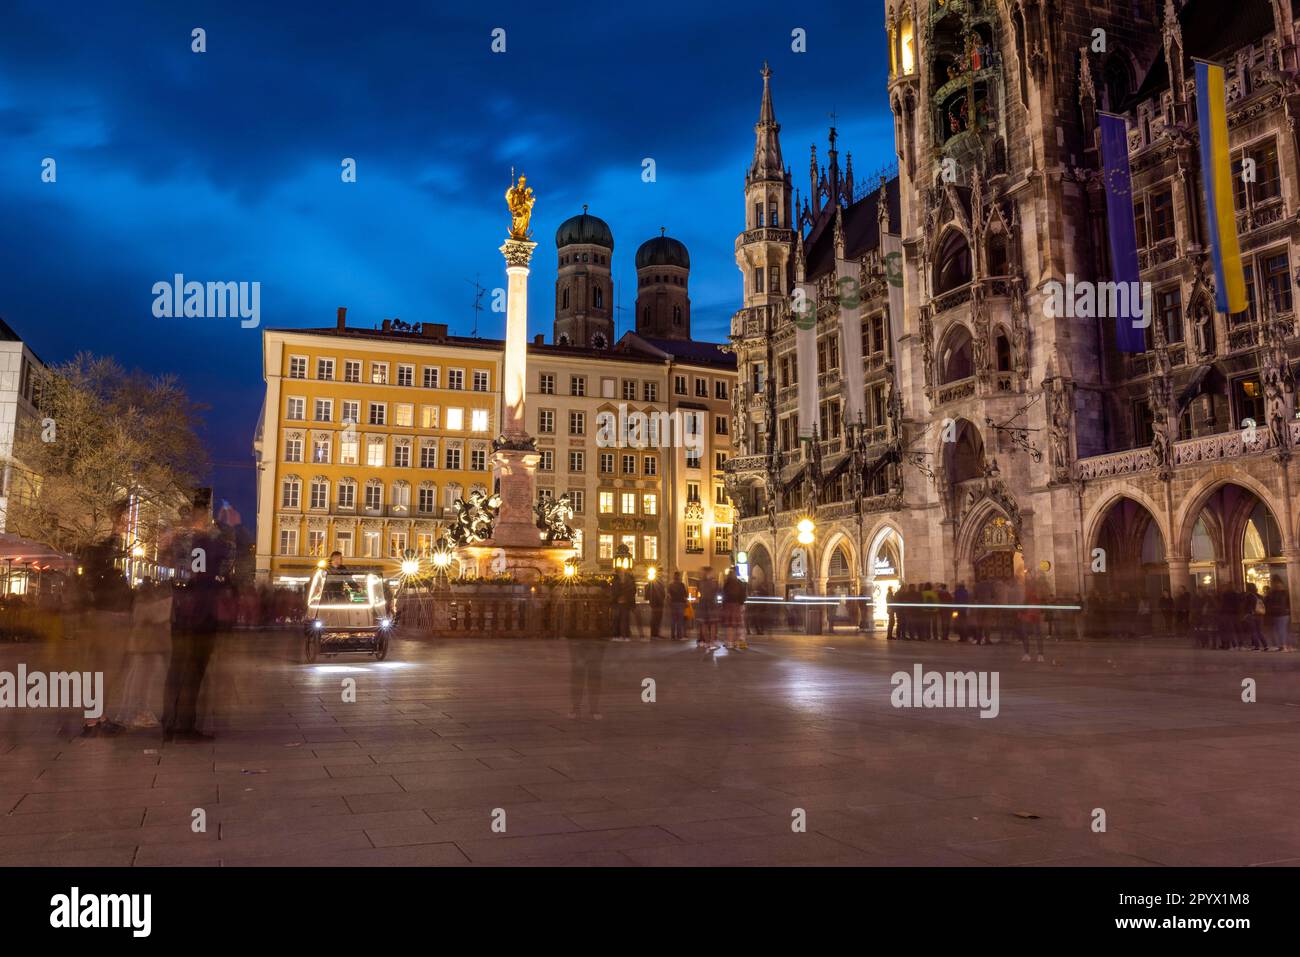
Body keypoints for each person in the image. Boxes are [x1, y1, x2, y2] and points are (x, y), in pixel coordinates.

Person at [722, 567, 748, 651]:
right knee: (737, 625)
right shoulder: (740, 583)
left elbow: (723, 595)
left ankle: (730, 643)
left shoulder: (727, 583)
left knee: (730, 625)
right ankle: (737, 642)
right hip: (737, 605)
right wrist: (741, 604)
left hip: (728, 605)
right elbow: (743, 596)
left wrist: (723, 605)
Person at [1265, 575, 1292, 651]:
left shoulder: (1277, 593)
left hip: (1281, 613)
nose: (1276, 585)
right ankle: (1283, 645)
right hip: (1280, 613)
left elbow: (1270, 602)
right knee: (1280, 630)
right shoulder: (1279, 592)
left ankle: (1283, 645)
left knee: (1281, 630)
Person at [696, 568, 720, 649]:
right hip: (712, 604)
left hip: (702, 604)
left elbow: (698, 592)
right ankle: (712, 643)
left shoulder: (700, 582)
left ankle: (706, 642)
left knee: (704, 624)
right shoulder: (713, 583)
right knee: (712, 624)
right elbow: (717, 591)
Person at [667, 571, 688, 641]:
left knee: (673, 620)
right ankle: (679, 636)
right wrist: (685, 602)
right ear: (679, 577)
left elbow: (668, 595)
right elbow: (685, 595)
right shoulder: (681, 585)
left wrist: (669, 603)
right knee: (680, 620)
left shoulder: (670, 585)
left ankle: (672, 635)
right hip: (680, 604)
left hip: (673, 603)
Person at [646, 573, 667, 639]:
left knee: (657, 618)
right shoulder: (654, 582)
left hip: (658, 603)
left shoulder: (657, 582)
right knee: (655, 618)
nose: (661, 575)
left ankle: (656, 633)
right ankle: (654, 634)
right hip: (656, 603)